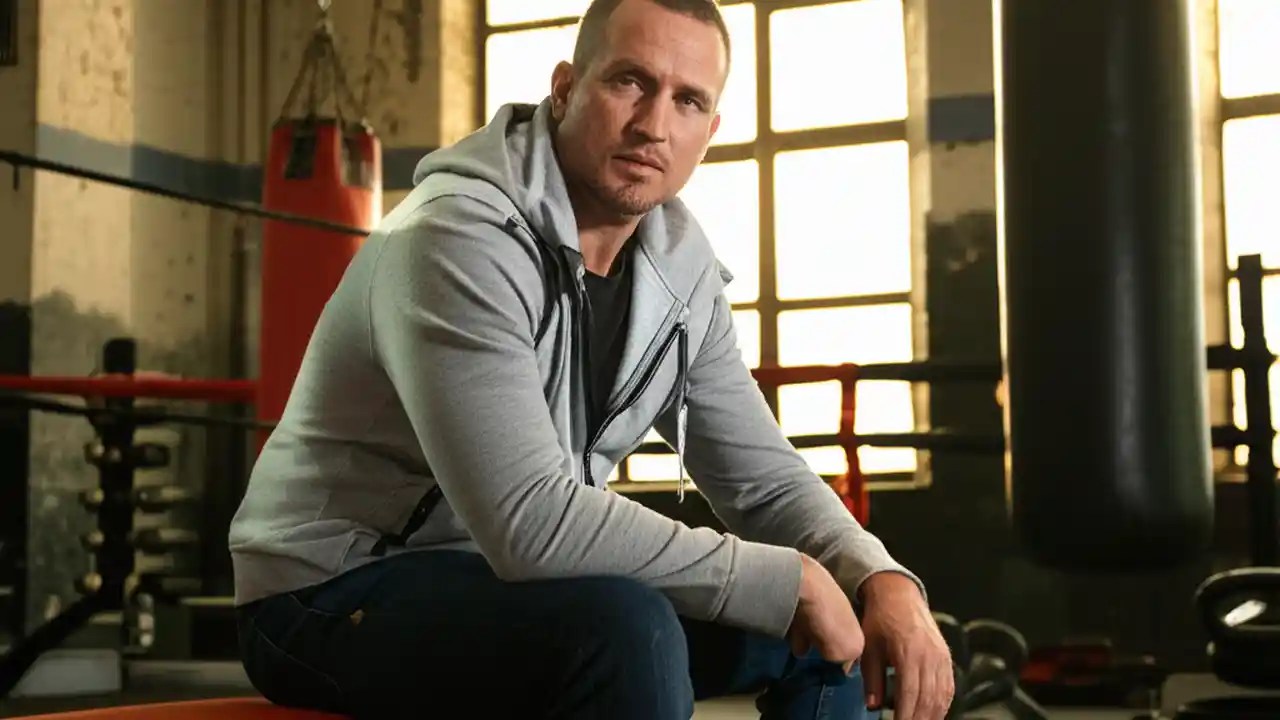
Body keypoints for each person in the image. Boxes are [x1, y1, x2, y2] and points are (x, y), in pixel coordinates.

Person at [228, 0, 954, 717]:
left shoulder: (680, 274)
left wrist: (879, 578)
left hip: (507, 584)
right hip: (327, 591)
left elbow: (763, 480)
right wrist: (786, 577)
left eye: (688, 100)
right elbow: (530, 522)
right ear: (567, 87)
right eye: (629, 81)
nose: (654, 124)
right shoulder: (456, 239)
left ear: (711, 129)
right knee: (628, 631)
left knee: (830, 636)